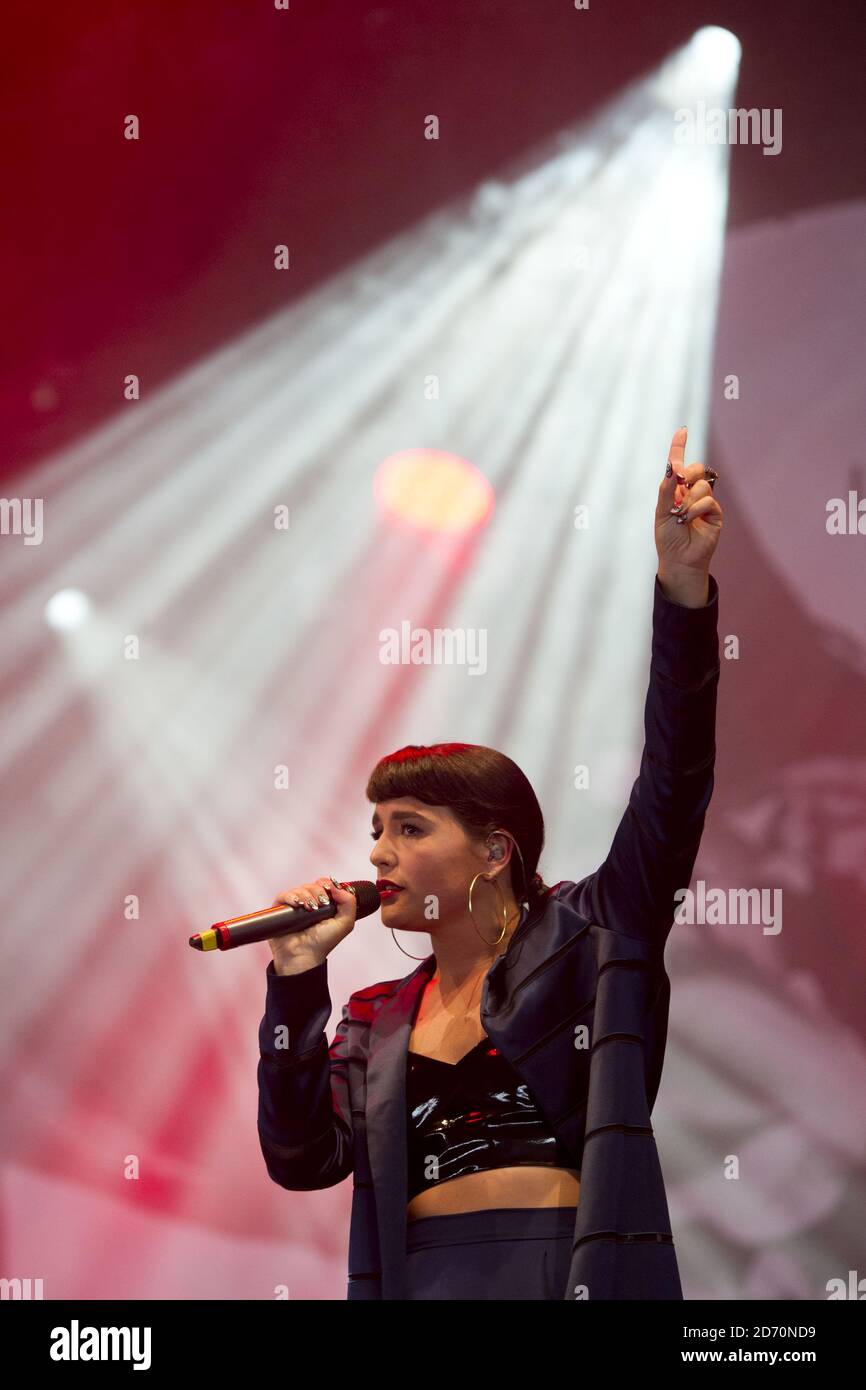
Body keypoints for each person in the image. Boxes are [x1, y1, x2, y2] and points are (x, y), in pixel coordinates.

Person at [256, 426, 723, 1299]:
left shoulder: (593, 931)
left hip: (563, 1269)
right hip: (424, 1281)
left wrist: (683, 590)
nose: (377, 852)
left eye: (409, 828)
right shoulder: (375, 1017)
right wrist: (292, 983)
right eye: (375, 829)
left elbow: (675, 777)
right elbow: (301, 1159)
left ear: (495, 848)